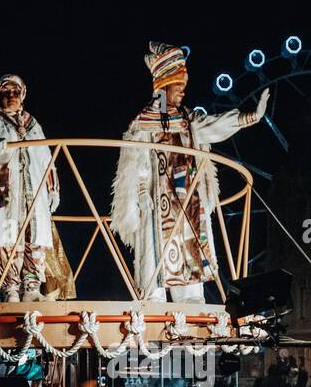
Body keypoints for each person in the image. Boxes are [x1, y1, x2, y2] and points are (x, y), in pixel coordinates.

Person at [111, 42, 269, 302]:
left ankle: (191, 297)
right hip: (157, 203)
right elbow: (135, 159)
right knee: (155, 257)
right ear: (164, 85)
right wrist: (141, 190)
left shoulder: (188, 121)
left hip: (188, 203)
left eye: (184, 87)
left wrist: (250, 116)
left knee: (190, 254)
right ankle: (154, 297)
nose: (183, 92)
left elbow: (215, 125)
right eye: (178, 86)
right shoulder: (144, 122)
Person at [0, 74, 62, 302]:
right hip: (1, 185)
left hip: (32, 188)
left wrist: (52, 187)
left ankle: (31, 287)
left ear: (22, 94)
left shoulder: (33, 122)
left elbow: (46, 156)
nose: (10, 96)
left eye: (15, 92)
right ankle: (10, 288)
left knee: (35, 233)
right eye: (5, 92)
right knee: (5, 234)